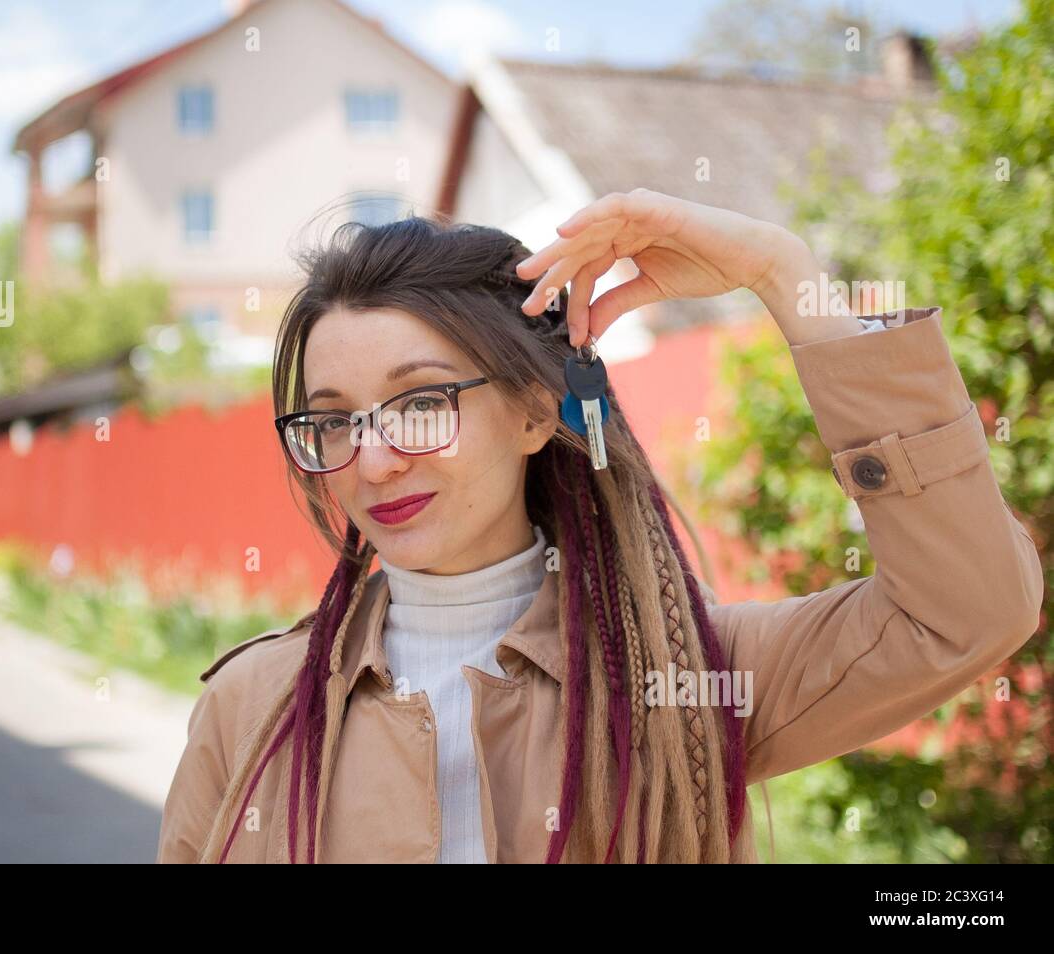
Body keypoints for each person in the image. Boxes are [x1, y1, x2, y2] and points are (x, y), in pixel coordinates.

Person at [156, 189, 1042, 863]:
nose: (373, 459)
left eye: (420, 404)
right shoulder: (254, 707)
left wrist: (781, 271)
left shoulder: (684, 674)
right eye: (335, 418)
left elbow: (967, 610)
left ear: (536, 413)